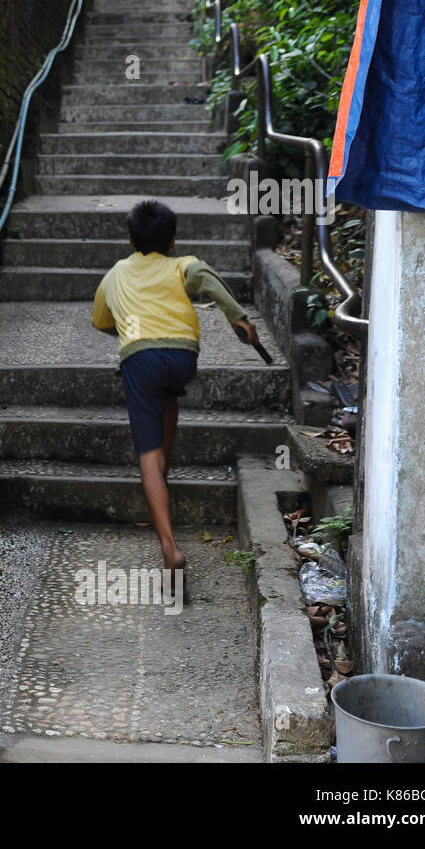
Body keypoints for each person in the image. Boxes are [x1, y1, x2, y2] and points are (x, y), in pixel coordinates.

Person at [90, 200, 258, 594]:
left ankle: (169, 547)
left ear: (131, 239)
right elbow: (209, 279)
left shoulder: (116, 273)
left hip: (141, 359)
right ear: (174, 240)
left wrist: (130, 324)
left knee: (147, 454)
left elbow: (100, 320)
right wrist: (238, 318)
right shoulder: (182, 264)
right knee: (167, 400)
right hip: (183, 355)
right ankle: (161, 481)